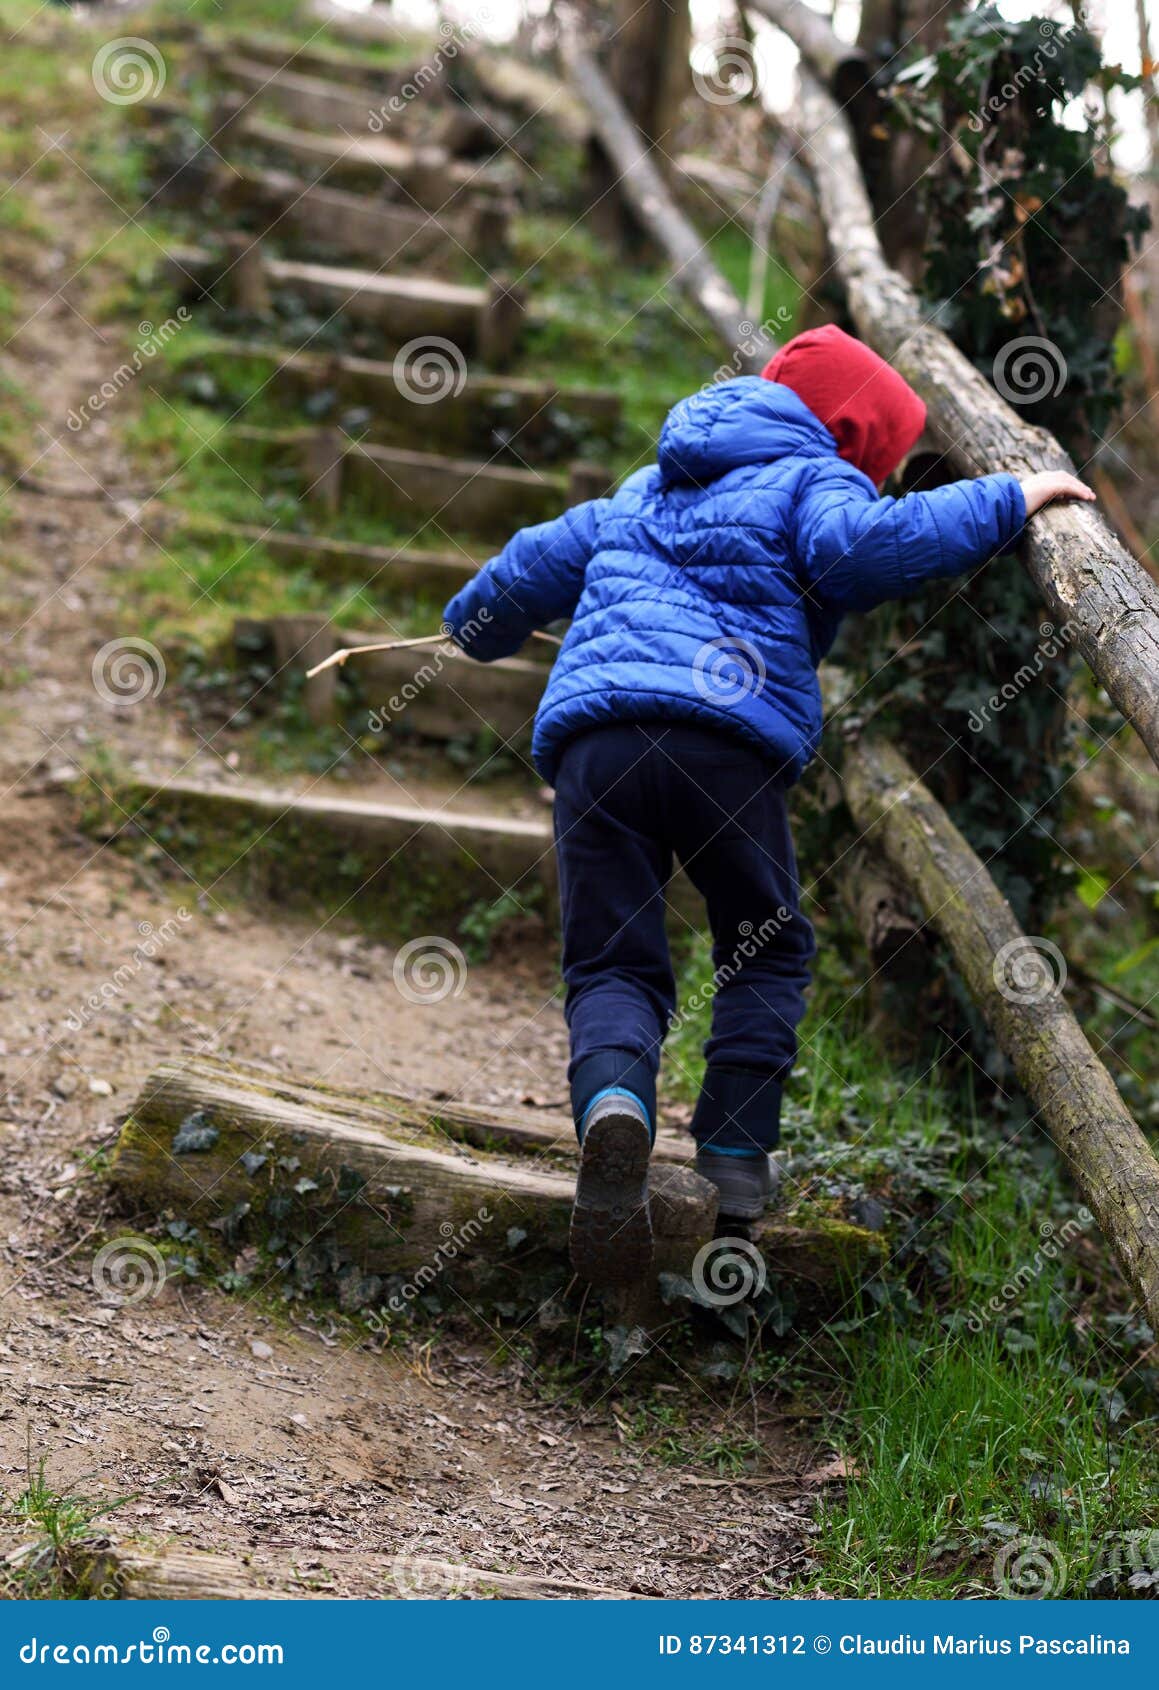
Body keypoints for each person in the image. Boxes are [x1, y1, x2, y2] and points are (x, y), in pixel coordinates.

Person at [443, 323, 1094, 1286]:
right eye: (885, 461)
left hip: (598, 747)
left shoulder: (645, 485)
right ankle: (734, 1163)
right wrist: (1011, 496)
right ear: (852, 439)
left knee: (611, 958)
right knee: (766, 944)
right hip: (723, 747)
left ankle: (615, 1108)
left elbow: (519, 578)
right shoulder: (814, 478)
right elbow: (866, 550)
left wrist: (470, 626)